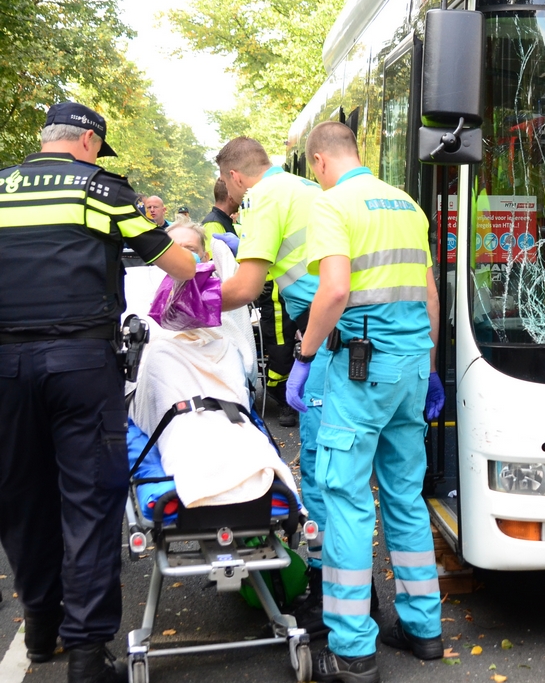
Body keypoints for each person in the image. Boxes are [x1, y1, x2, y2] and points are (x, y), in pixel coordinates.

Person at [0, 102, 196, 683]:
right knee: (88, 503)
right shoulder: (102, 190)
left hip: (5, 365)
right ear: (87, 141)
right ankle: (87, 656)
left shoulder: (3, 186)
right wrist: (144, 221)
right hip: (80, 363)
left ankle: (40, 630)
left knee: (21, 498)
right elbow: (180, 264)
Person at [290, 121, 444, 682]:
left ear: (319, 162)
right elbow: (429, 293)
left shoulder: (332, 204)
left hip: (359, 369)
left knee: (347, 499)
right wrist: (428, 369)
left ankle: (354, 651)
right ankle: (423, 630)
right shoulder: (406, 204)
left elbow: (333, 290)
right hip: (409, 369)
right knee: (404, 496)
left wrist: (305, 358)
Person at [214, 136, 326, 623]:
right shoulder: (306, 185)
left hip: (327, 332)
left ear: (235, 178)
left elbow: (245, 287)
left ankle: (330, 598)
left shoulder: (261, 199)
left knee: (325, 477)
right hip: (365, 326)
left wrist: (184, 305)